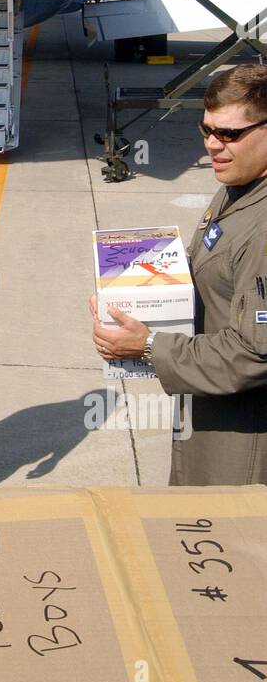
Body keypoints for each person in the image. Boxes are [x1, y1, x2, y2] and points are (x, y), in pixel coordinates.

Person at [91, 63, 267, 485]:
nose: (213, 145)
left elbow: (253, 354)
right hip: (208, 409)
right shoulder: (237, 186)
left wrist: (149, 345)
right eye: (206, 130)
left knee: (228, 540)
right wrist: (129, 286)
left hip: (244, 440)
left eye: (229, 134)